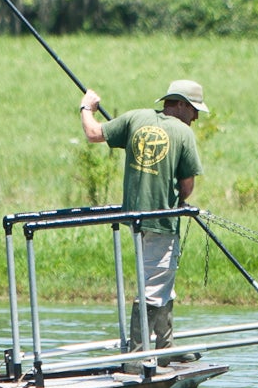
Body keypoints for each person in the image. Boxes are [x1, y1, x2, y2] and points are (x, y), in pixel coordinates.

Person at [80, 78, 205, 351]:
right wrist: (178, 199)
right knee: (153, 286)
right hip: (160, 221)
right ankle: (139, 356)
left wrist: (86, 107)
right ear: (181, 105)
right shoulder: (184, 134)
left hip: (135, 220)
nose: (196, 116)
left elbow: (93, 133)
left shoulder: (136, 117)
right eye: (194, 109)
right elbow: (187, 187)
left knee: (162, 283)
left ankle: (165, 348)